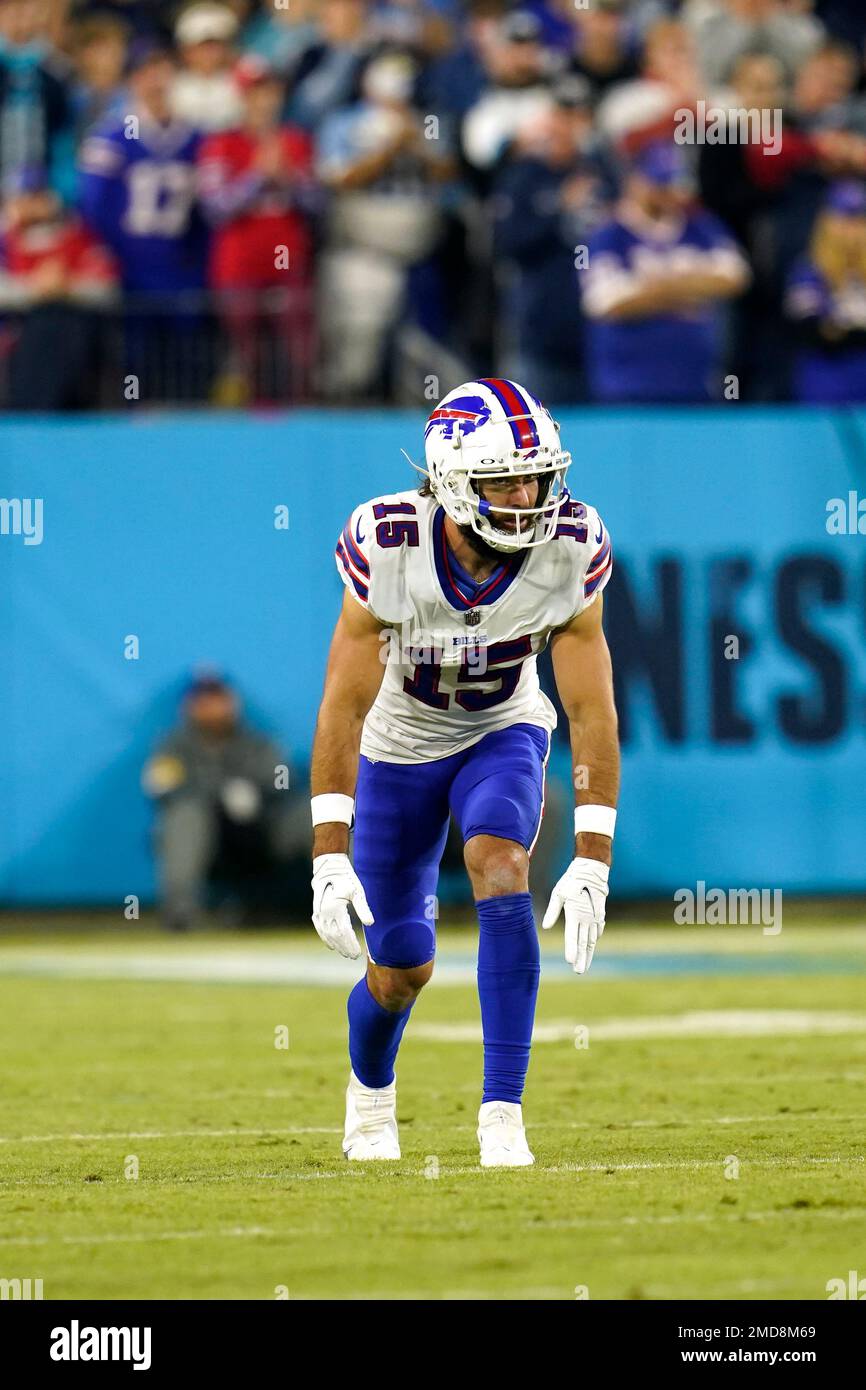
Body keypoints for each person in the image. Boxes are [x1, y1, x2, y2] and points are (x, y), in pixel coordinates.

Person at [310, 378, 619, 1167]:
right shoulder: (388, 542)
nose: (529, 495)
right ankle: (371, 1096)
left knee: (501, 862)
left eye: (538, 476)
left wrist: (593, 858)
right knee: (402, 966)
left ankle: (502, 1115)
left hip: (502, 730)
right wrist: (327, 853)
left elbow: (590, 712)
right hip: (398, 747)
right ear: (452, 481)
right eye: (506, 480)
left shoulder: (572, 546)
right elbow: (343, 707)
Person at [580, 141, 751, 403]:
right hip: (628, 385)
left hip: (695, 381)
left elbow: (736, 277)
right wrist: (690, 290)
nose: (667, 194)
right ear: (635, 182)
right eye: (658, 185)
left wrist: (657, 287)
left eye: (671, 185)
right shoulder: (609, 235)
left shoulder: (701, 226)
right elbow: (606, 303)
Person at [144, 674, 308, 932]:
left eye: (218, 699)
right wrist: (217, 796)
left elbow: (285, 783)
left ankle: (354, 909)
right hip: (208, 842)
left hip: (262, 836)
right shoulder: (172, 746)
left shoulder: (258, 742)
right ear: (189, 706)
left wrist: (257, 794)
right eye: (203, 700)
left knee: (313, 812)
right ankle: (180, 916)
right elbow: (160, 787)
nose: (212, 708)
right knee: (184, 815)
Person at [198, 54, 318, 402]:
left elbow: (318, 204)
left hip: (288, 265)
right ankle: (253, 435)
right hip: (239, 267)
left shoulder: (296, 141)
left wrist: (289, 180)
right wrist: (256, 178)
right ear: (243, 97)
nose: (265, 100)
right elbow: (214, 208)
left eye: (270, 91)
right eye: (256, 92)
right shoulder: (221, 144)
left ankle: (300, 433)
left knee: (299, 358)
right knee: (248, 359)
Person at [0, 163, 116, 407]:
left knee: (58, 323)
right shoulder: (5, 241)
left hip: (70, 340)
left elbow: (106, 289)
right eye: (24, 197)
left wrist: (67, 288)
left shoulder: (77, 237)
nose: (32, 205)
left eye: (38, 196)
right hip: (14, 338)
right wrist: (34, 289)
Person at [785, 179, 866, 402]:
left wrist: (841, 329)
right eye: (843, 219)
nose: (851, 230)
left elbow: (835, 331)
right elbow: (812, 331)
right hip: (825, 381)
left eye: (858, 220)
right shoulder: (809, 269)